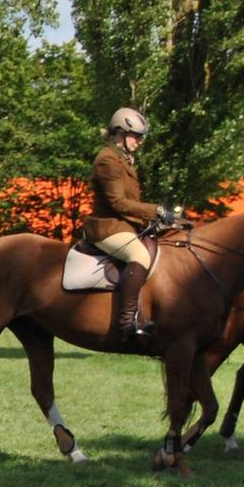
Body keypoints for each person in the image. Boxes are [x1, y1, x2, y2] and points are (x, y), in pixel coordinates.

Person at [82, 107, 171, 346]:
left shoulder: (122, 160)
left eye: (140, 137)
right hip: (107, 228)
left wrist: (157, 220)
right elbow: (118, 203)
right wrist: (155, 211)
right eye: (136, 136)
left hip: (123, 225)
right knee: (139, 255)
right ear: (120, 133)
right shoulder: (107, 161)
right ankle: (127, 322)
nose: (139, 142)